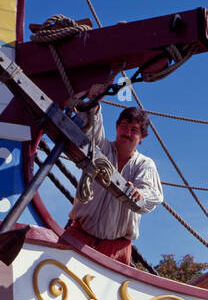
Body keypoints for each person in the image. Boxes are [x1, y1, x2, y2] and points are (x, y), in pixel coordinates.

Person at [64, 92, 163, 265]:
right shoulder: (100, 148)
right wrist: (94, 103)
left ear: (142, 138)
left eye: (134, 130)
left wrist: (140, 194)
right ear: (116, 127)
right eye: (124, 126)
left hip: (115, 250)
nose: (127, 132)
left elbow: (152, 194)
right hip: (78, 236)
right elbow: (91, 128)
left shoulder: (144, 165)